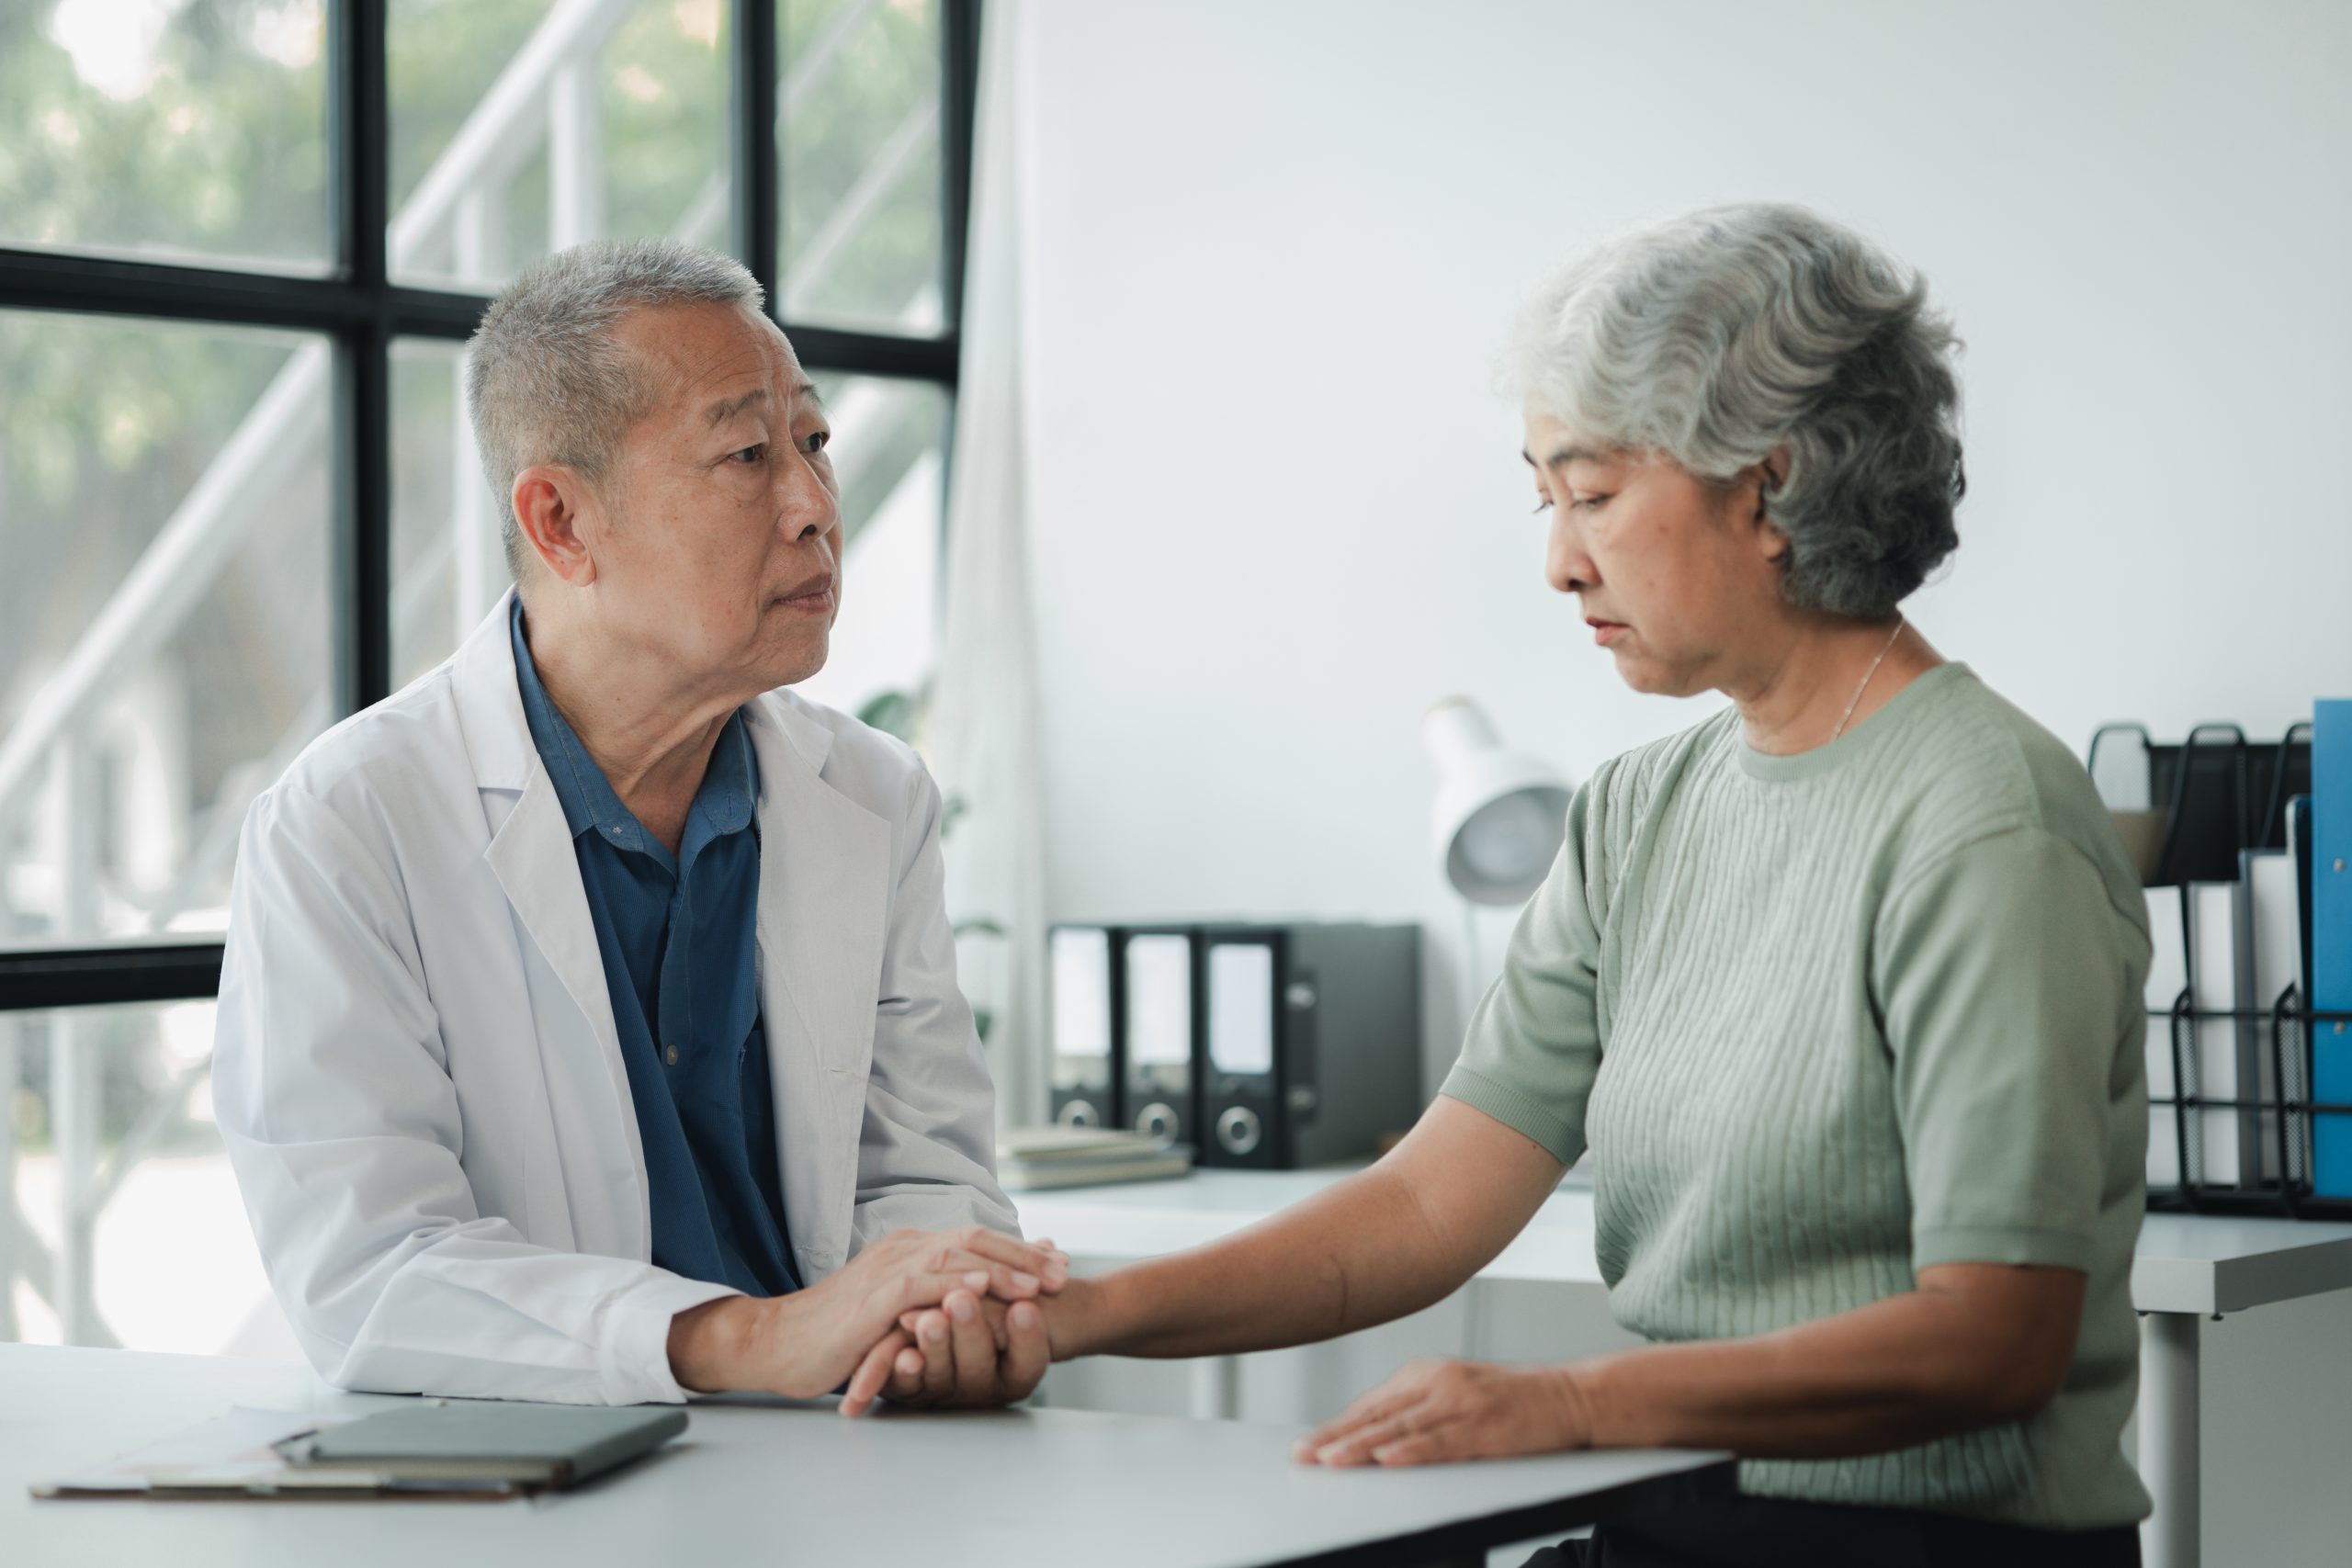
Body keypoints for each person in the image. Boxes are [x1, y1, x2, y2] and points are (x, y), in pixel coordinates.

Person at [1003, 205, 2151, 1566]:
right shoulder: (1634, 814)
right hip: (1675, 1521)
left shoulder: (1987, 823)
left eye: (1591, 494)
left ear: (1768, 485)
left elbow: (1992, 1338)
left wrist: (1570, 1404)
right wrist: (1077, 1318)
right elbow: (1428, 1202)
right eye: (1543, 500)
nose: (1559, 561)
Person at [214, 240, 1060, 1414]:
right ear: (561, 521)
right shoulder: (347, 825)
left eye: (814, 442)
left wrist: (939, 1313)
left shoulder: (872, 796)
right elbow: (372, 1276)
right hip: (531, 1470)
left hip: (845, 1443)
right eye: (748, 456)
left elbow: (927, 1176)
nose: (815, 508)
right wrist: (746, 1338)